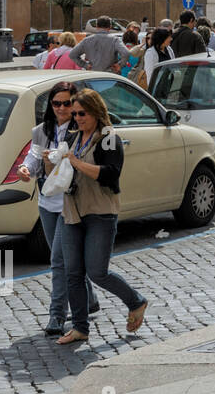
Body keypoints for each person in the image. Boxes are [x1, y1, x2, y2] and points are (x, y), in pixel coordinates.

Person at [56, 87, 148, 344]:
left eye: (82, 113)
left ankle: (136, 301)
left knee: (97, 272)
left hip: (100, 212)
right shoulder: (74, 137)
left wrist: (76, 163)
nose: (77, 118)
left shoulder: (107, 137)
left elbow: (110, 173)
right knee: (73, 273)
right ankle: (80, 328)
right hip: (72, 211)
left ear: (96, 112)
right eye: (74, 114)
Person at [15, 81, 98, 335]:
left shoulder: (80, 128)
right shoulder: (41, 130)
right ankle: (90, 299)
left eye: (66, 103)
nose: (61, 108)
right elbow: (33, 155)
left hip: (70, 202)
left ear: (74, 103)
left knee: (58, 261)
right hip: (47, 202)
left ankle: (57, 315)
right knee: (66, 258)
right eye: (56, 103)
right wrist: (26, 168)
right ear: (50, 105)